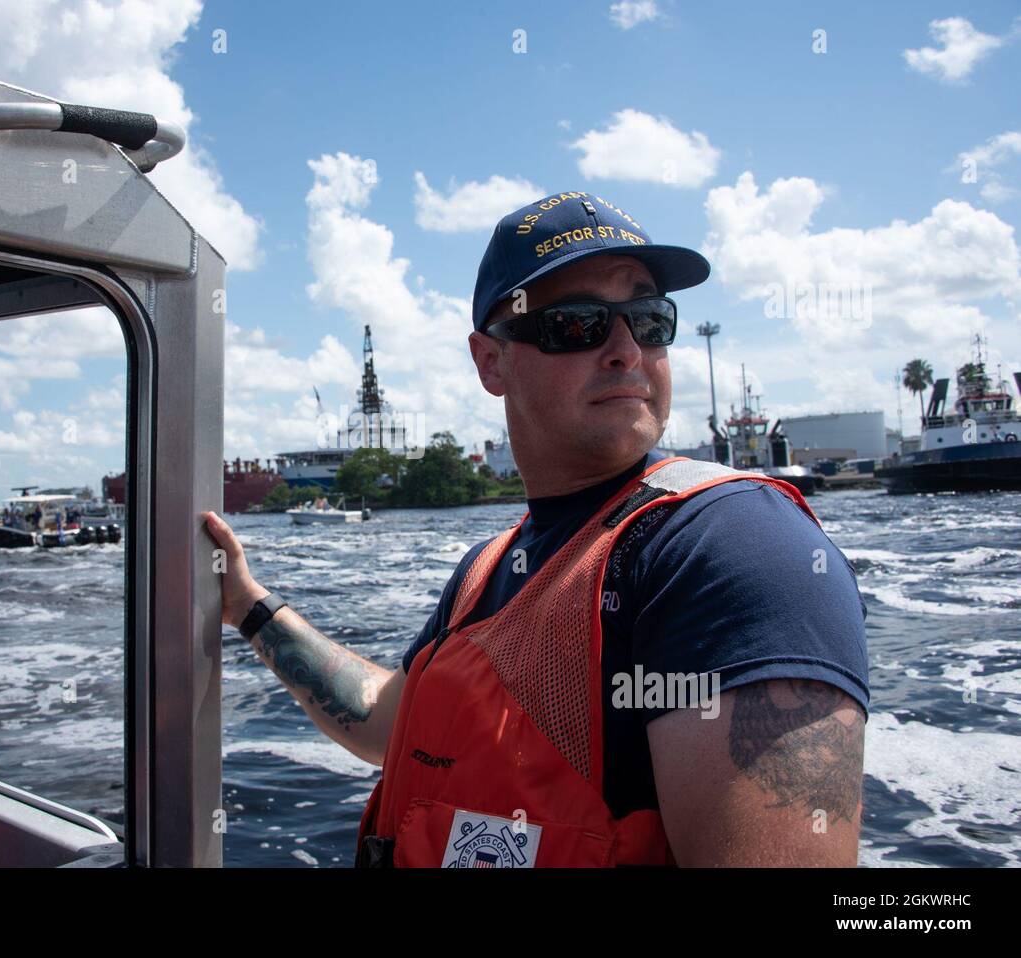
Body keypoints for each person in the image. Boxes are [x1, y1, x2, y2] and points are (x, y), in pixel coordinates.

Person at [206, 190, 868, 868]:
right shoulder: (488, 571)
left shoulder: (731, 548)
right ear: (490, 362)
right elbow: (384, 721)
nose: (625, 350)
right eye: (577, 324)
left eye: (648, 319)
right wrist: (247, 605)